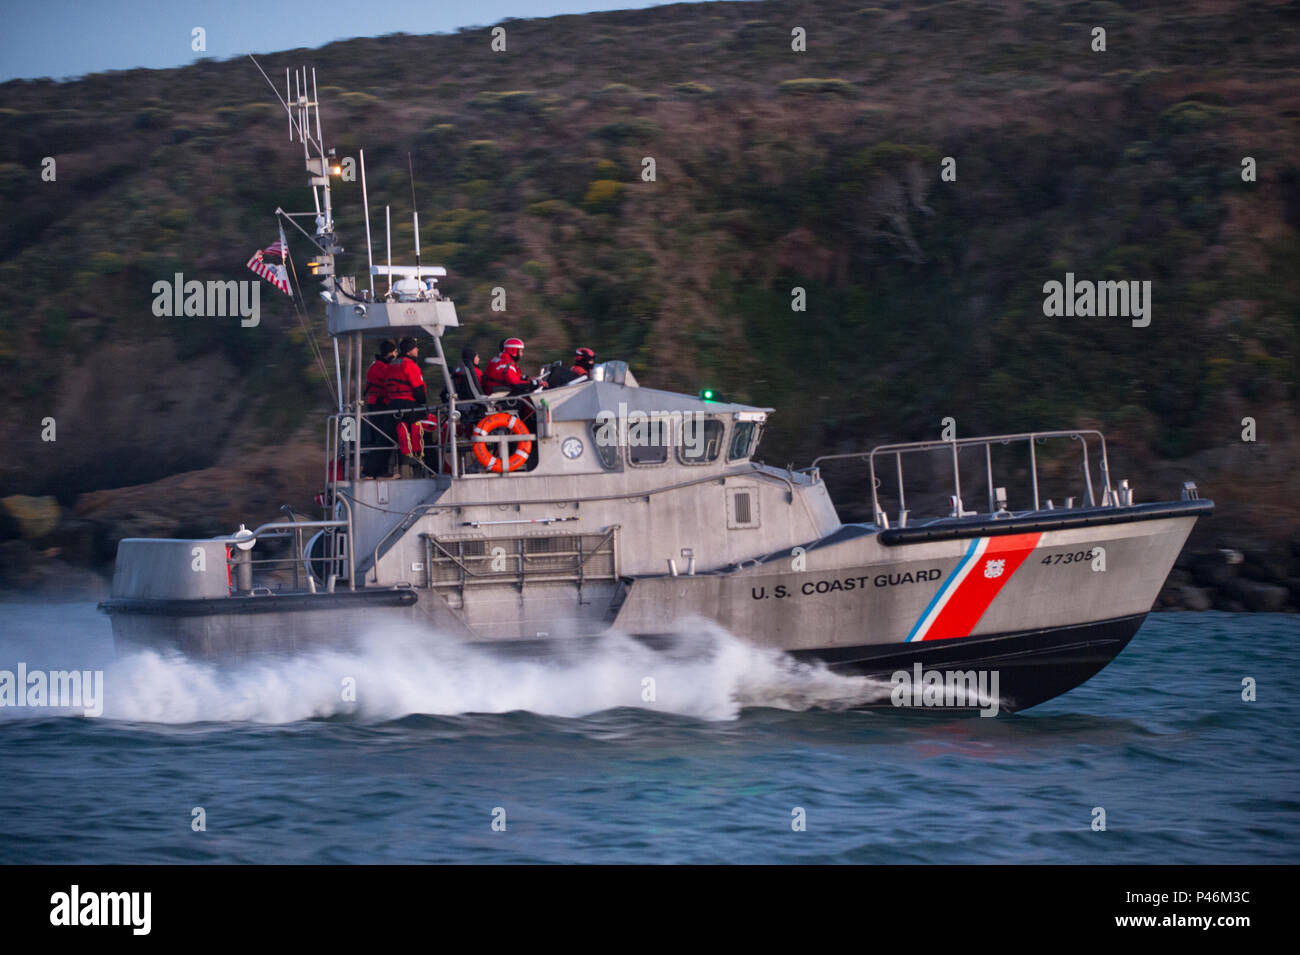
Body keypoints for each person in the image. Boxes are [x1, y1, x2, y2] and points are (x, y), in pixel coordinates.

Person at [386, 336, 428, 468]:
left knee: (401, 426)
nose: (418, 350)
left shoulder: (392, 364)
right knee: (428, 422)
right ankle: (419, 454)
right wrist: (422, 403)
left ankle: (405, 444)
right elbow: (419, 390)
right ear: (409, 351)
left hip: (393, 405)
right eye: (415, 347)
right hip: (409, 404)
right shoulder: (410, 365)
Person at [361, 339, 397, 477]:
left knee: (382, 438)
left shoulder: (375, 365)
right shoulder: (381, 367)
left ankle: (380, 470)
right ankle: (372, 470)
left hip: (377, 403)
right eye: (394, 352)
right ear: (391, 353)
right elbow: (389, 382)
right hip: (379, 405)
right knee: (383, 438)